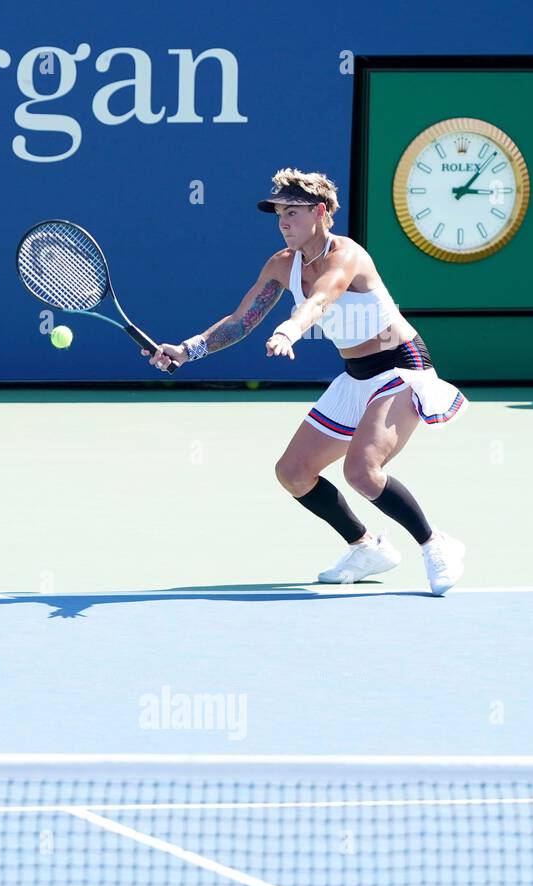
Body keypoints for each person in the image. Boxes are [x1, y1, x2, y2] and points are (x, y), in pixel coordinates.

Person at [146, 168, 466, 595]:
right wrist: (187, 351)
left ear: (319, 212)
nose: (283, 222)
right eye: (279, 212)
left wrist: (290, 330)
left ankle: (435, 543)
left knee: (363, 472)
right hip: (356, 376)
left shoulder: (347, 254)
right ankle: (367, 547)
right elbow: (240, 321)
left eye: (292, 212)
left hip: (400, 367)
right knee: (294, 472)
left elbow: (321, 299)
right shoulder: (282, 265)